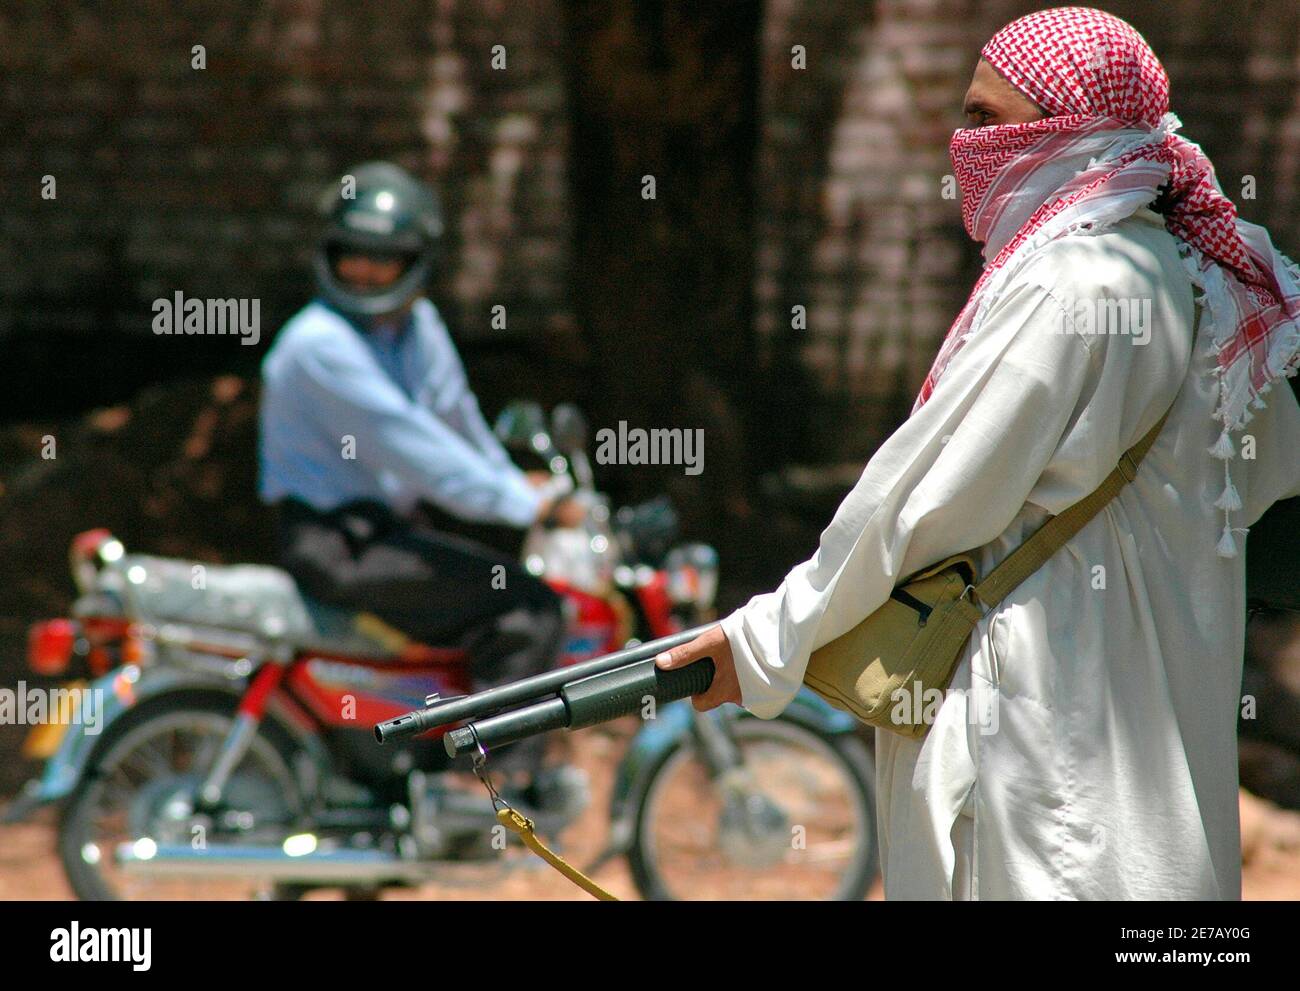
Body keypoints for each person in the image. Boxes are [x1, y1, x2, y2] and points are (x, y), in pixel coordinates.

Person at [657, 7, 1300, 899]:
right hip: (1157, 796)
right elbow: (1268, 482)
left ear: (1075, 130)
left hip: (1044, 753)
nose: (968, 144)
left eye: (991, 119)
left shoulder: (1072, 282)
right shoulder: (1200, 286)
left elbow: (921, 501)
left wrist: (762, 644)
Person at [259, 161, 584, 793]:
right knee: (527, 610)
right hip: (337, 544)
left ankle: (414, 772)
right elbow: (408, 444)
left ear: (414, 262)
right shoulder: (316, 344)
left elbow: (454, 421)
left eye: (383, 259)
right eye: (352, 256)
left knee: (486, 597)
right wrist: (524, 505)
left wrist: (517, 482)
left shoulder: (414, 325)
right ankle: (494, 791)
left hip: (381, 532)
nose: (364, 272)